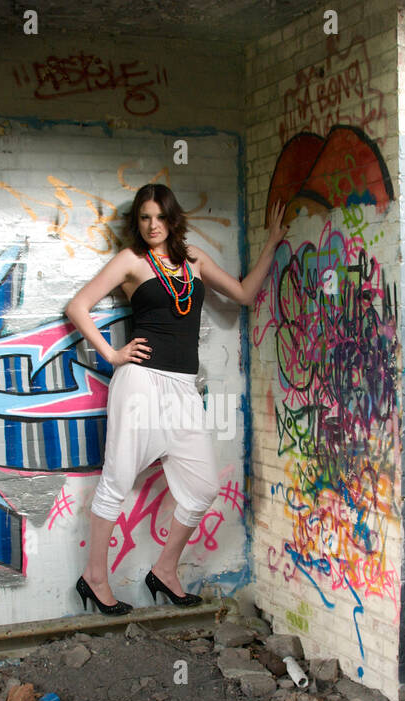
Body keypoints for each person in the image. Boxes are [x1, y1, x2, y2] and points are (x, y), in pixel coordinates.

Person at [63, 184, 286, 614]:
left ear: (172, 220)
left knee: (203, 486)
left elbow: (241, 294)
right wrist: (111, 354)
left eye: (159, 217)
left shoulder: (194, 260)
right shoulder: (131, 261)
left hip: (183, 387)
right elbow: (78, 306)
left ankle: (164, 570)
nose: (152, 226)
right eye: (144, 218)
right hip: (141, 382)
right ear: (138, 222)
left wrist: (273, 243)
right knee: (118, 478)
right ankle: (94, 577)